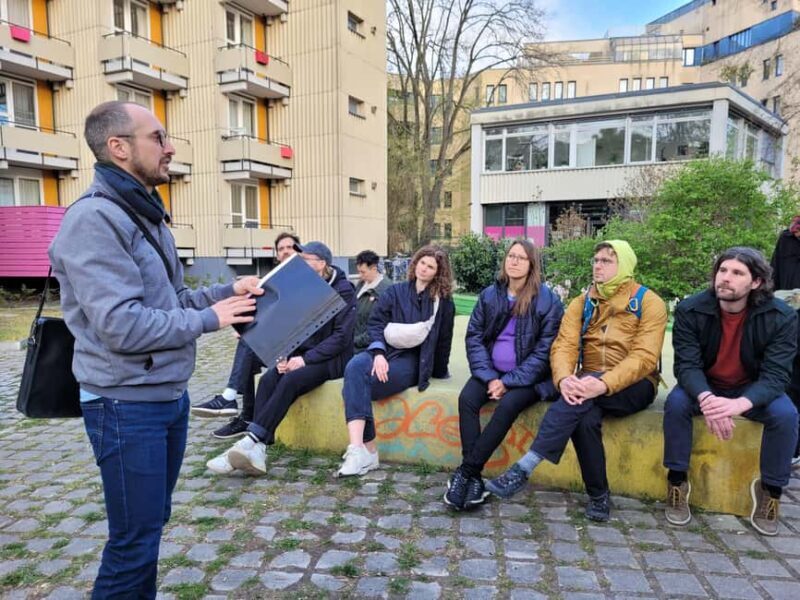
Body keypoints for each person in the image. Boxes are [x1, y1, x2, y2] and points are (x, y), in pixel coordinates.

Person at [48, 101, 261, 598]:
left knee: (150, 524)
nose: (169, 148)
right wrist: (211, 319)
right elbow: (122, 325)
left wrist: (226, 293)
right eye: (158, 138)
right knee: (134, 541)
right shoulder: (94, 221)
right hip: (125, 404)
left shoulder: (144, 213)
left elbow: (172, 301)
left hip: (166, 397)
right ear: (118, 148)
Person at [487, 240, 667, 522]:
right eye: (595, 260)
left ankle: (525, 466)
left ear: (625, 266)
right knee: (583, 417)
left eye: (607, 261)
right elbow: (564, 346)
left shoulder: (648, 302)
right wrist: (564, 379)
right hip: (586, 383)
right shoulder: (581, 303)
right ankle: (599, 496)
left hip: (636, 384)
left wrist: (603, 383)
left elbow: (644, 357)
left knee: (582, 400)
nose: (598, 265)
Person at [664, 247, 798, 536]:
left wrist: (738, 405)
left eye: (737, 273)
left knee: (786, 415)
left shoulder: (781, 316)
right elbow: (686, 366)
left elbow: (776, 376)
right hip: (706, 385)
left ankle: (771, 492)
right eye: (722, 271)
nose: (726, 278)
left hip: (752, 389)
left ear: (756, 282)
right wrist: (709, 399)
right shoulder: (691, 309)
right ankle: (676, 481)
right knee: (675, 405)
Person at [207, 241, 356, 475]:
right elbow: (292, 327)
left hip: (332, 360)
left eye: (306, 260)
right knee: (268, 379)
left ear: (322, 264)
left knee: (291, 380)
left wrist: (305, 360)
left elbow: (341, 338)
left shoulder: (344, 289)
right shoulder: (302, 287)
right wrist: (285, 355)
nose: (300, 264)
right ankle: (258, 449)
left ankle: (251, 441)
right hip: (302, 355)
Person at [444, 239, 563, 510]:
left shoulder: (548, 301)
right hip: (491, 372)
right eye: (511, 256)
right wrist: (489, 377)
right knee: (467, 400)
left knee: (507, 406)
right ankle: (473, 476)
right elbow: (474, 337)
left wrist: (508, 382)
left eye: (521, 257)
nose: (514, 261)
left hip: (529, 379)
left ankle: (465, 472)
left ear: (532, 264)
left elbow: (544, 352)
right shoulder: (490, 295)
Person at [337, 245, 456, 476]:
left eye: (431, 266)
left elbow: (444, 340)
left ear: (438, 272)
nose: (424, 268)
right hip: (383, 351)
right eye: (422, 262)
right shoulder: (396, 291)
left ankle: (368, 454)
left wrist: (440, 371)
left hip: (412, 360)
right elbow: (376, 323)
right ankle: (358, 449)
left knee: (357, 387)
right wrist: (379, 353)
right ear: (415, 263)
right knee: (354, 368)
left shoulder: (443, 303)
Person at [191, 232, 300, 440]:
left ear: (298, 250)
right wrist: (241, 328)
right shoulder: (273, 280)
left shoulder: (305, 278)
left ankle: (230, 398)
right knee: (248, 347)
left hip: (303, 347)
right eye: (281, 249)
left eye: (290, 247)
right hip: (280, 344)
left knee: (250, 343)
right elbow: (263, 313)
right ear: (277, 255)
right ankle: (245, 417)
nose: (285, 251)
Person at [770, 217, 800, 467]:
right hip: (790, 325)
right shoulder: (787, 238)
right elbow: (774, 280)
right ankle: (791, 449)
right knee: (789, 381)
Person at [354, 249, 391, 353]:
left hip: (368, 348)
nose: (360, 275)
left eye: (363, 272)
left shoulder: (387, 291)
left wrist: (356, 341)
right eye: (359, 271)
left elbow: (381, 325)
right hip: (354, 344)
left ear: (374, 269)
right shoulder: (361, 284)